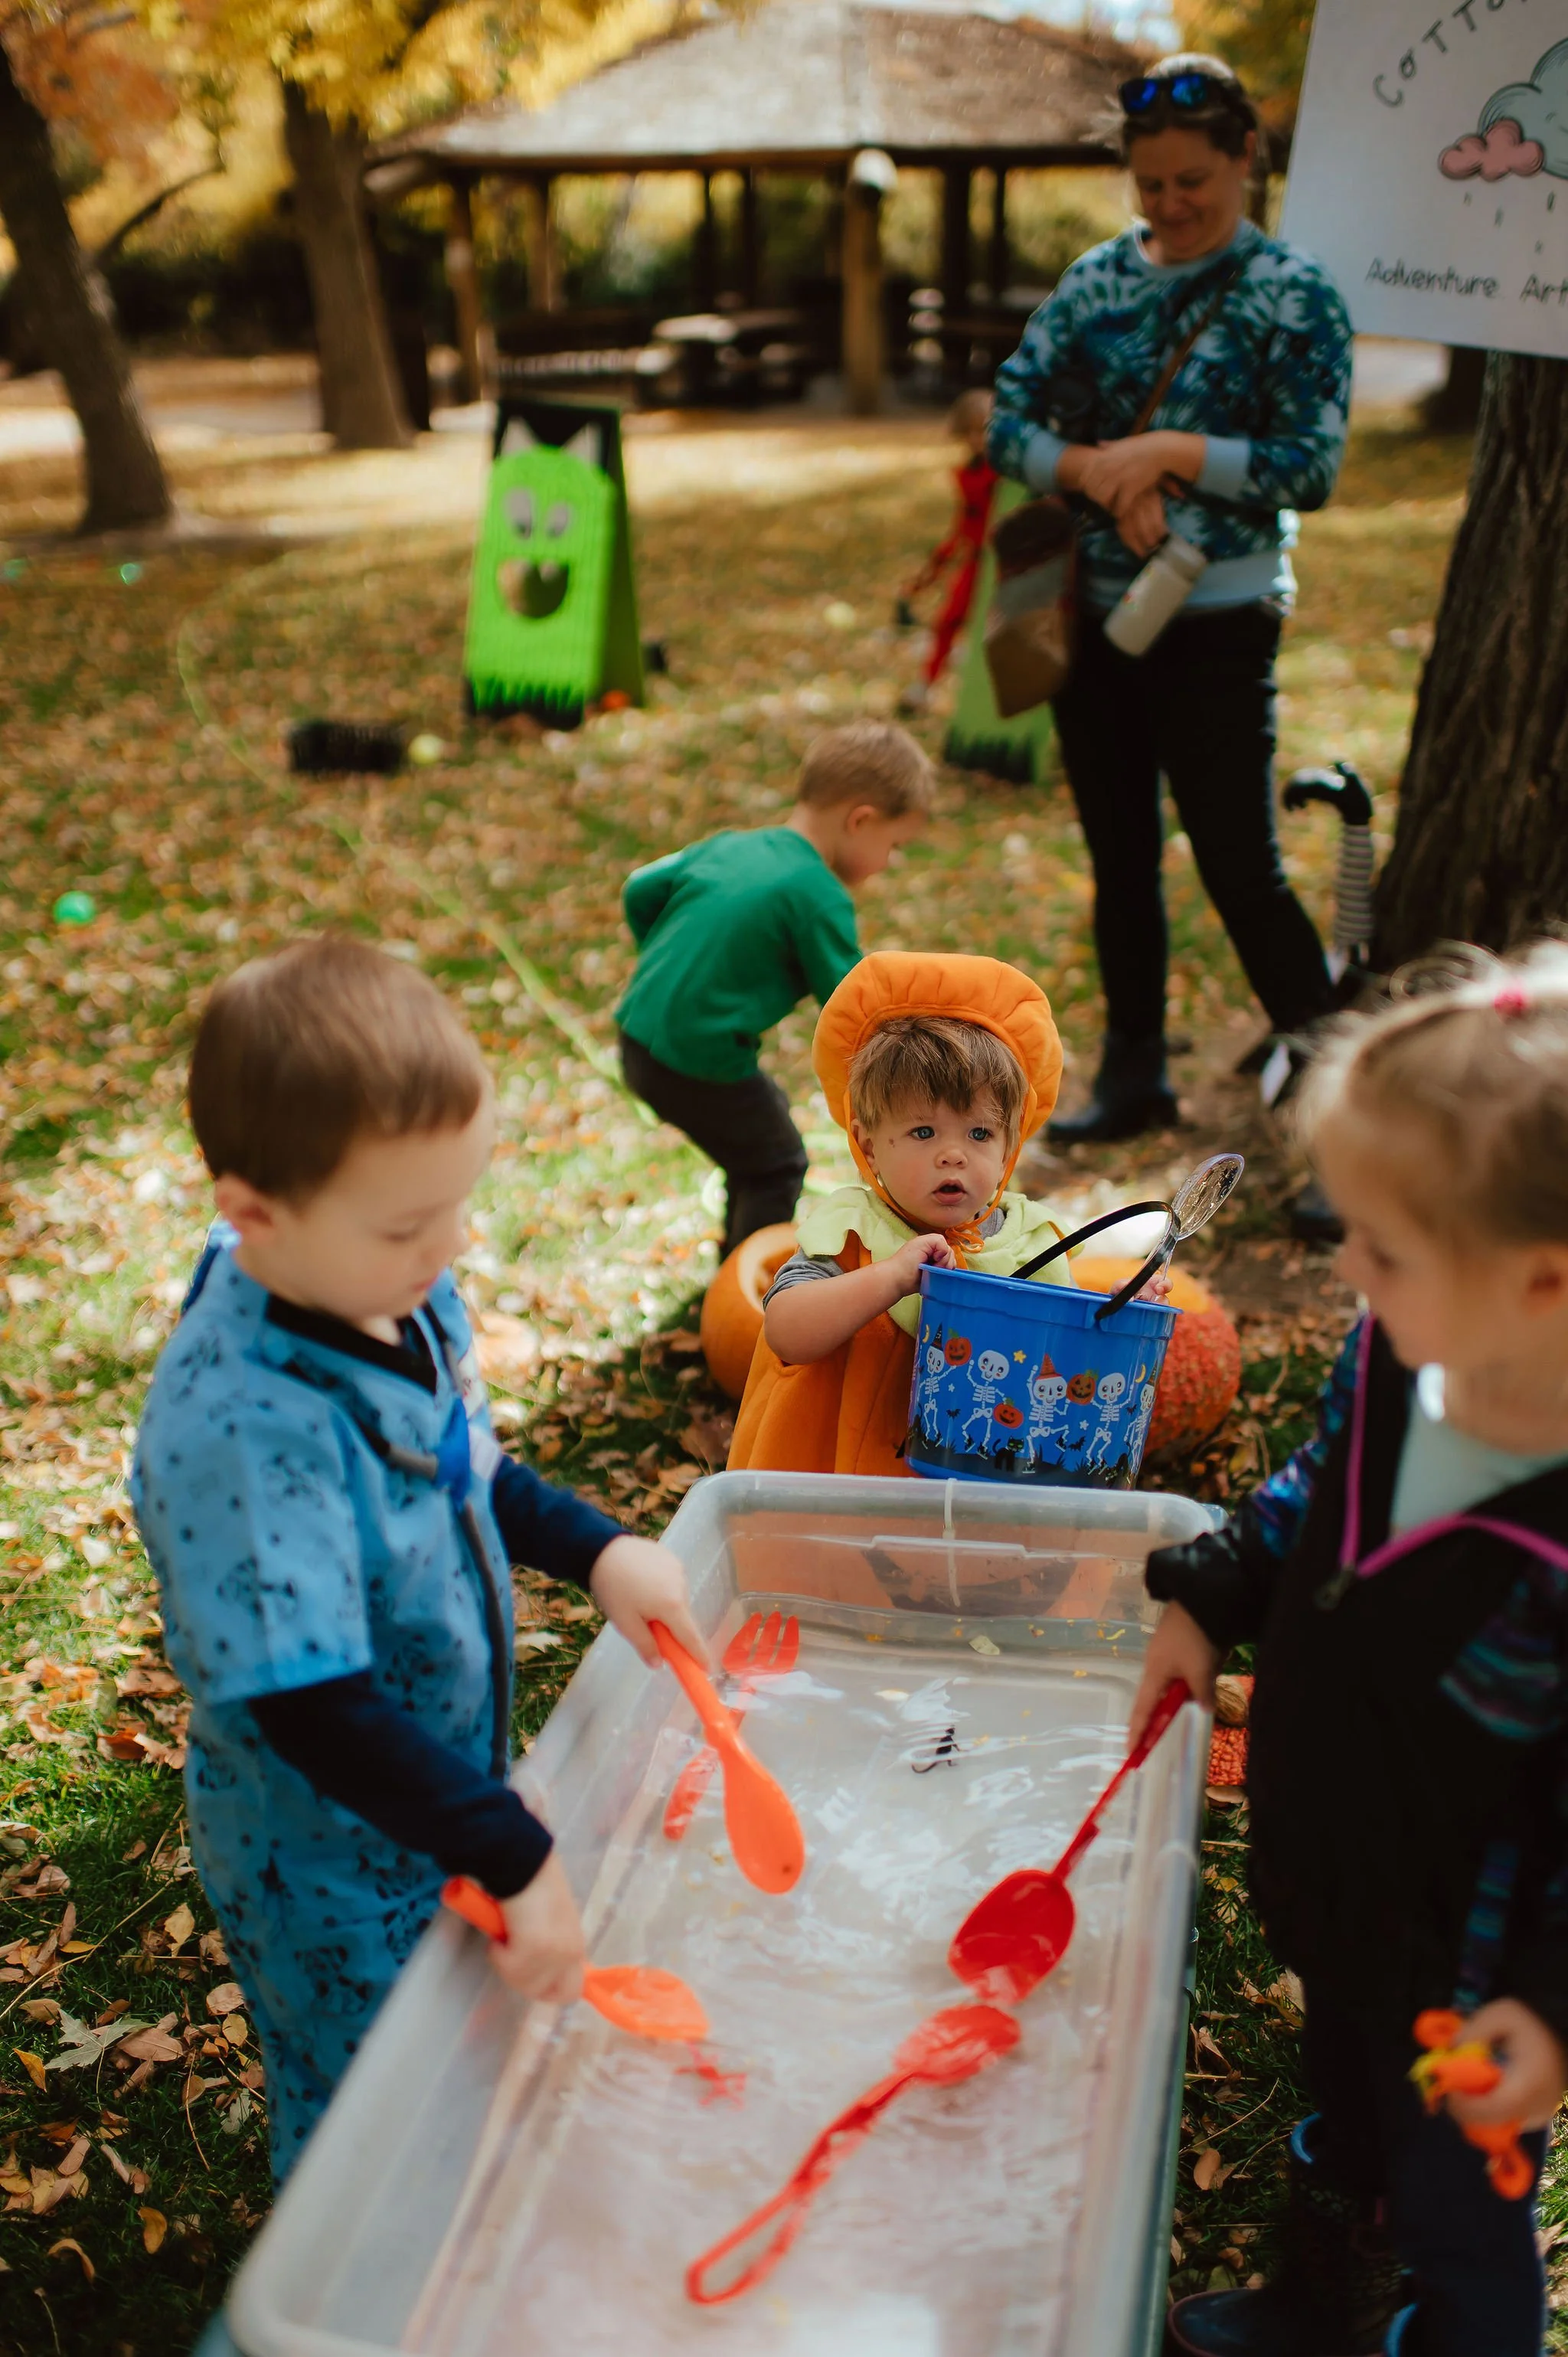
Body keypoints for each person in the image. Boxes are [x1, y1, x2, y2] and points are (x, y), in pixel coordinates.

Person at [131, 938, 707, 2184]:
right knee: (373, 2108)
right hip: (324, 1853)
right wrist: (509, 1845)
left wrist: (597, 1549)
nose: (448, 1245)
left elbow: (459, 1463)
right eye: (409, 1220)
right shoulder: (240, 1426)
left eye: (460, 1200)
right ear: (252, 1214)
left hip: (434, 1785)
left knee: (458, 2051)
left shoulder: (388, 1285)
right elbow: (308, 1704)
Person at [1130, 946, 1568, 2357]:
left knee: (1457, 2200)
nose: (1346, 1270)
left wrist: (1548, 2008)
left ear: (1541, 1282)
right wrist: (1207, 1594)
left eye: (1382, 1247)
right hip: (1334, 1867)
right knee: (1346, 2089)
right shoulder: (1395, 1356)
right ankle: (1321, 2298)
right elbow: (1306, 1496)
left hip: (1469, 1963)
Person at [988, 54, 1354, 1143]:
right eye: (1150, 185)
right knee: (1120, 860)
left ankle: (1343, 1115)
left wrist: (1169, 453)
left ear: (1245, 158)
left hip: (1222, 623)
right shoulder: (1096, 280)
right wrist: (1099, 471)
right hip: (1089, 619)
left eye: (1192, 180)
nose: (1170, 204)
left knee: (1241, 867)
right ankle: (1134, 1075)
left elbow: (1309, 467)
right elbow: (1008, 423)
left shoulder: (1293, 292)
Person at [728, 951, 1075, 1479]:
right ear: (868, 1145)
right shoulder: (854, 1235)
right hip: (851, 1492)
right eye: (923, 1132)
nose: (953, 1154)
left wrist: (1120, 1314)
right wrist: (889, 1279)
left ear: (1010, 1146)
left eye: (979, 1133)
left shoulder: (1032, 1242)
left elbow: (1067, 1362)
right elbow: (786, 1333)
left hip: (980, 1497)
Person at [616, 721, 934, 1255]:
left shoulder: (731, 845)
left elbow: (639, 890)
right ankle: (741, 1288)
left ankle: (731, 1264)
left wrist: (666, 960)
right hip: (696, 1060)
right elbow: (856, 1003)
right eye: (893, 844)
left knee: (753, 1151)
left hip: (636, 1036)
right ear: (861, 820)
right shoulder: (817, 894)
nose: (890, 861)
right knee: (776, 1163)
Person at [897, 388, 998, 715]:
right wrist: (933, 569)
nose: (976, 439)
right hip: (977, 563)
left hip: (1005, 565)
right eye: (969, 432)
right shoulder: (968, 476)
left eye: (983, 430)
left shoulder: (1007, 475)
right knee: (949, 620)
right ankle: (924, 686)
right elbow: (964, 528)